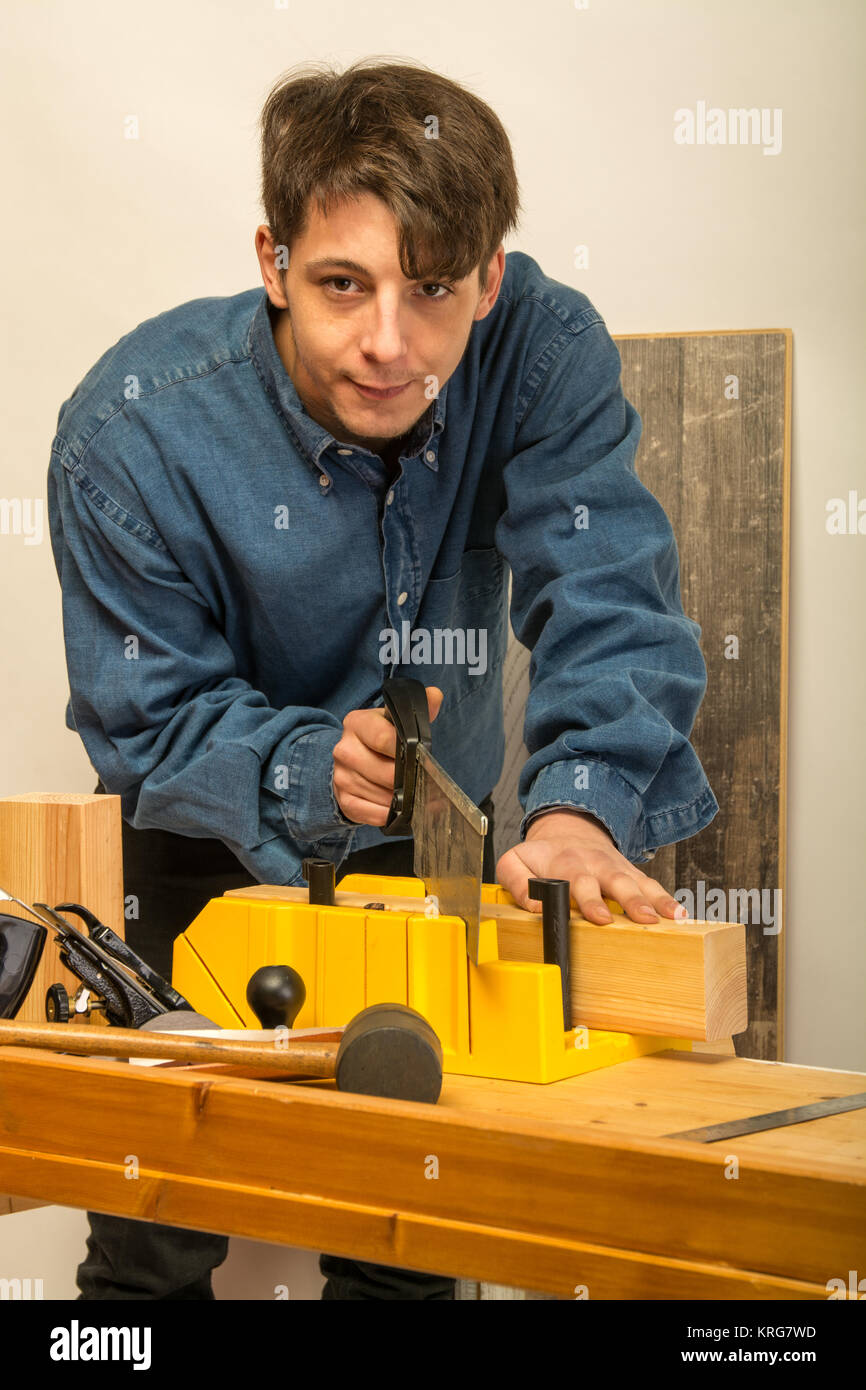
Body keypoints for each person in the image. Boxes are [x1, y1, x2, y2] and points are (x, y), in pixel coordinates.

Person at [46, 58, 718, 1300]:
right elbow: (145, 720)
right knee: (151, 1217)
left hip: (440, 847)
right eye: (340, 286)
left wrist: (576, 804)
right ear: (270, 262)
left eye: (432, 292)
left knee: (415, 1217)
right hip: (201, 841)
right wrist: (310, 765)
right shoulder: (123, 435)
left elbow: (608, 586)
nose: (388, 345)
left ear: (489, 280)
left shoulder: (542, 350)